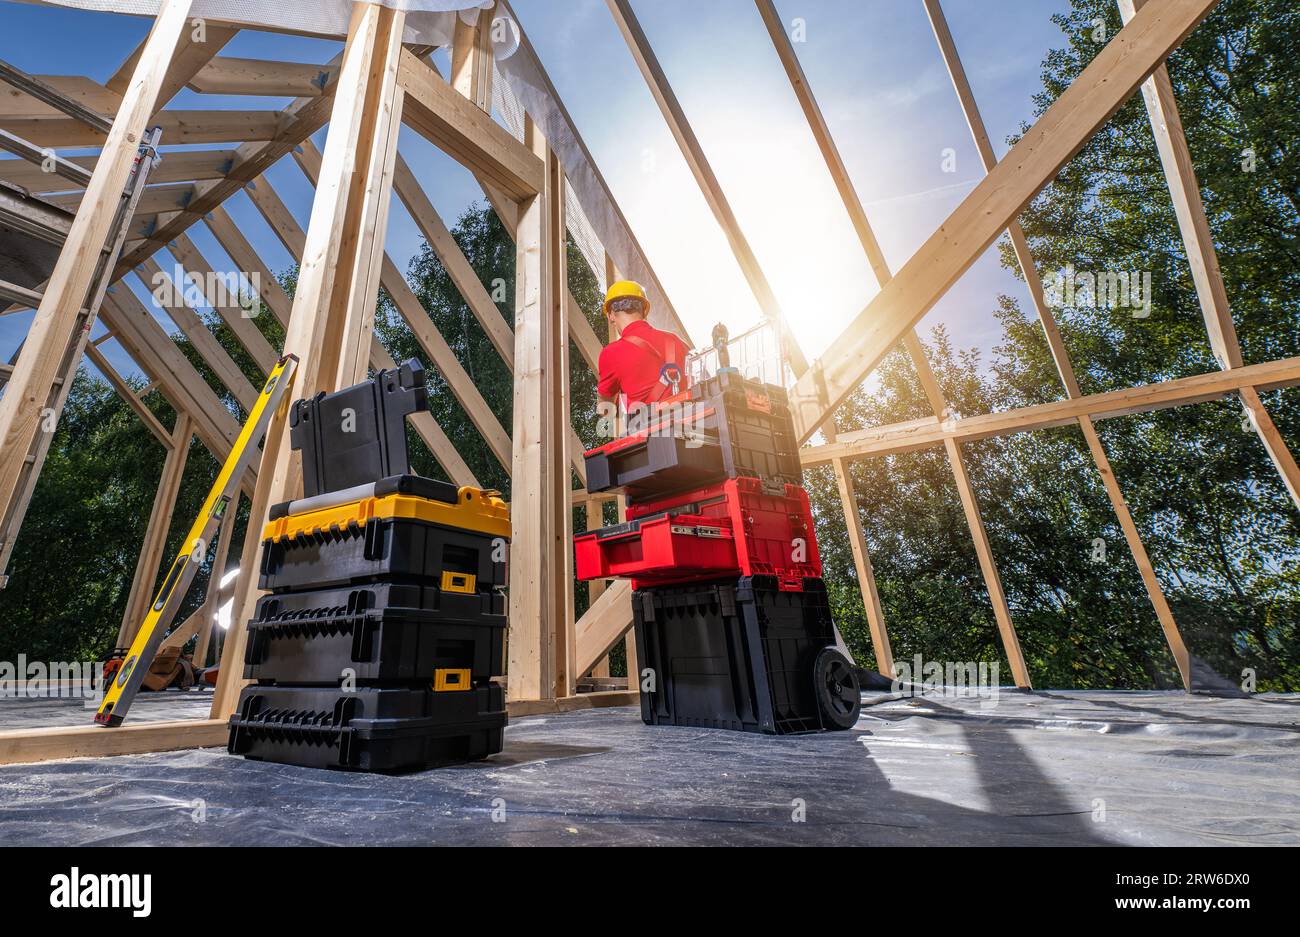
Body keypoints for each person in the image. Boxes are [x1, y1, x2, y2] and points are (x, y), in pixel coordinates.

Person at [597, 280, 691, 410]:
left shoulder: (611, 353)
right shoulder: (676, 341)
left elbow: (605, 407)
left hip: (649, 428)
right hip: (692, 426)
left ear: (610, 315)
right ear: (645, 310)